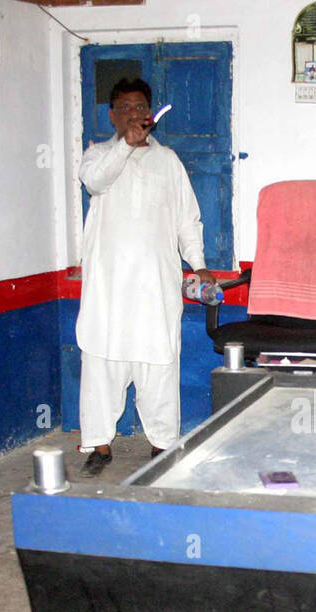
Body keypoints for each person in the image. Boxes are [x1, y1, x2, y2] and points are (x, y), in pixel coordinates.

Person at [75, 77, 216, 477]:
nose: (134, 115)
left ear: (150, 113)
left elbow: (187, 220)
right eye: (125, 109)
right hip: (108, 290)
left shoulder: (167, 161)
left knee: (159, 364)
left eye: (141, 108)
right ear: (112, 115)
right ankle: (99, 446)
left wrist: (198, 262)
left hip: (155, 287)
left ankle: (163, 446)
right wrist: (125, 146)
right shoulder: (97, 156)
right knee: (101, 363)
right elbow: (95, 182)